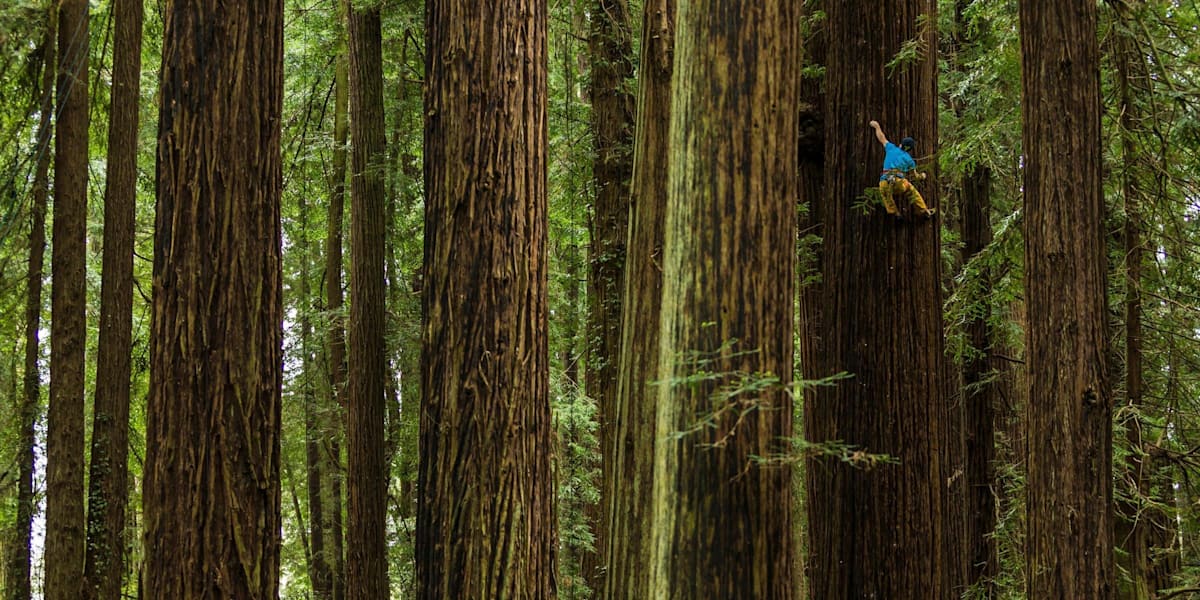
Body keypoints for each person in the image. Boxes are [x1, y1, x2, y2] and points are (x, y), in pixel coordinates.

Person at [869, 120, 934, 219]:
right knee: (911, 190)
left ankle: (895, 213)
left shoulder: (891, 148)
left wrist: (877, 127)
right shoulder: (909, 160)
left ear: (900, 144)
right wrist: (922, 176)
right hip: (899, 183)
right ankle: (923, 210)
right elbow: (915, 177)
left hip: (884, 181)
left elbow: (882, 137)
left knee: (885, 193)